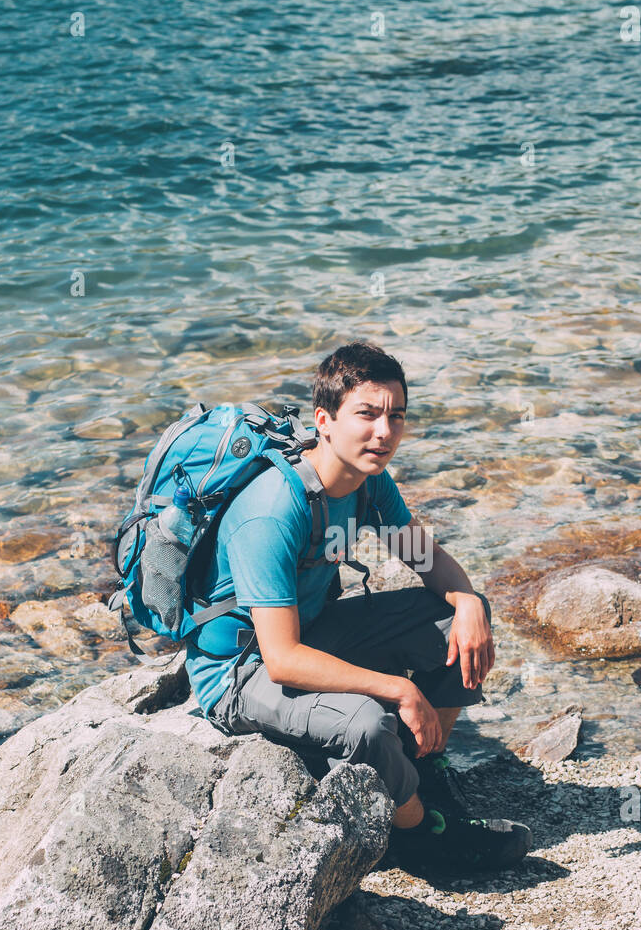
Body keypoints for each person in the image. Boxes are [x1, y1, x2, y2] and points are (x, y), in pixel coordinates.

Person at [186, 340, 531, 874]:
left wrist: (469, 602)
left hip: (314, 632)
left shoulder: (368, 484)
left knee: (456, 625)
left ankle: (421, 768)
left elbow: (426, 559)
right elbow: (282, 660)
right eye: (367, 415)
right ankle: (422, 838)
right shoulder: (273, 512)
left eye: (396, 417)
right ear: (324, 421)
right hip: (242, 674)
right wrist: (400, 688)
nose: (384, 432)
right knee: (369, 723)